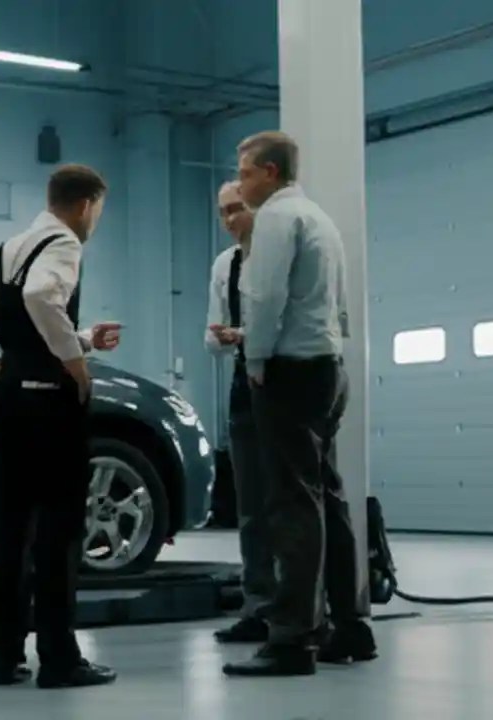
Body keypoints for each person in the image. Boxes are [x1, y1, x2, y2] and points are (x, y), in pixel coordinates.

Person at [0, 163, 122, 690]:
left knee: (9, 528)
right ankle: (60, 659)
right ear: (87, 204)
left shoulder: (9, 249)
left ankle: (4, 656)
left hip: (10, 398)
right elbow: (42, 299)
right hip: (52, 404)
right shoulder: (66, 243)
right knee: (58, 532)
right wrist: (75, 360)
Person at [221, 131, 377, 677]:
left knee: (291, 504)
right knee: (327, 499)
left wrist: (257, 362)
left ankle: (291, 639)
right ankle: (350, 626)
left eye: (243, 174)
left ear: (268, 171)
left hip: (289, 372)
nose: (239, 185)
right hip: (328, 369)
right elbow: (336, 303)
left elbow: (261, 297)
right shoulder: (320, 219)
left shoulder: (276, 220)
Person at [204, 180, 275, 644]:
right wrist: (235, 336)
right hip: (243, 381)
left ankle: (302, 605)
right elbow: (212, 336)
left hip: (285, 380)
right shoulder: (225, 265)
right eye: (223, 212)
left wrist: (246, 334)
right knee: (251, 505)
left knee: (293, 501)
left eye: (238, 209)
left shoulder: (279, 254)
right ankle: (259, 607)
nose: (230, 220)